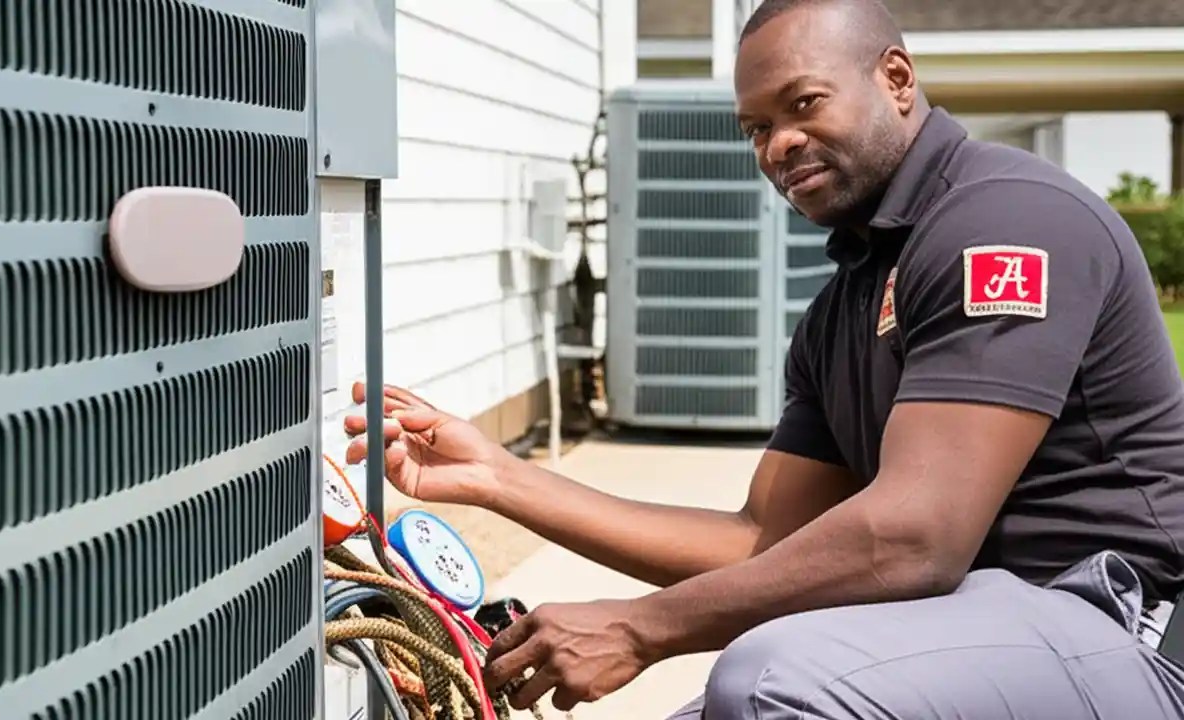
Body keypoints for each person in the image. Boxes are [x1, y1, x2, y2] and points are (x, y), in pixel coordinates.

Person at [343, 0, 1184, 716]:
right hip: (986, 626)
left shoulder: (1006, 221)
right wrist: (502, 480)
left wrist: (640, 627)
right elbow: (763, 542)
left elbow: (914, 538)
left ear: (895, 79)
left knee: (770, 682)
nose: (778, 145)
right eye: (757, 129)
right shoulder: (843, 307)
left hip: (1126, 631)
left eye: (804, 105)